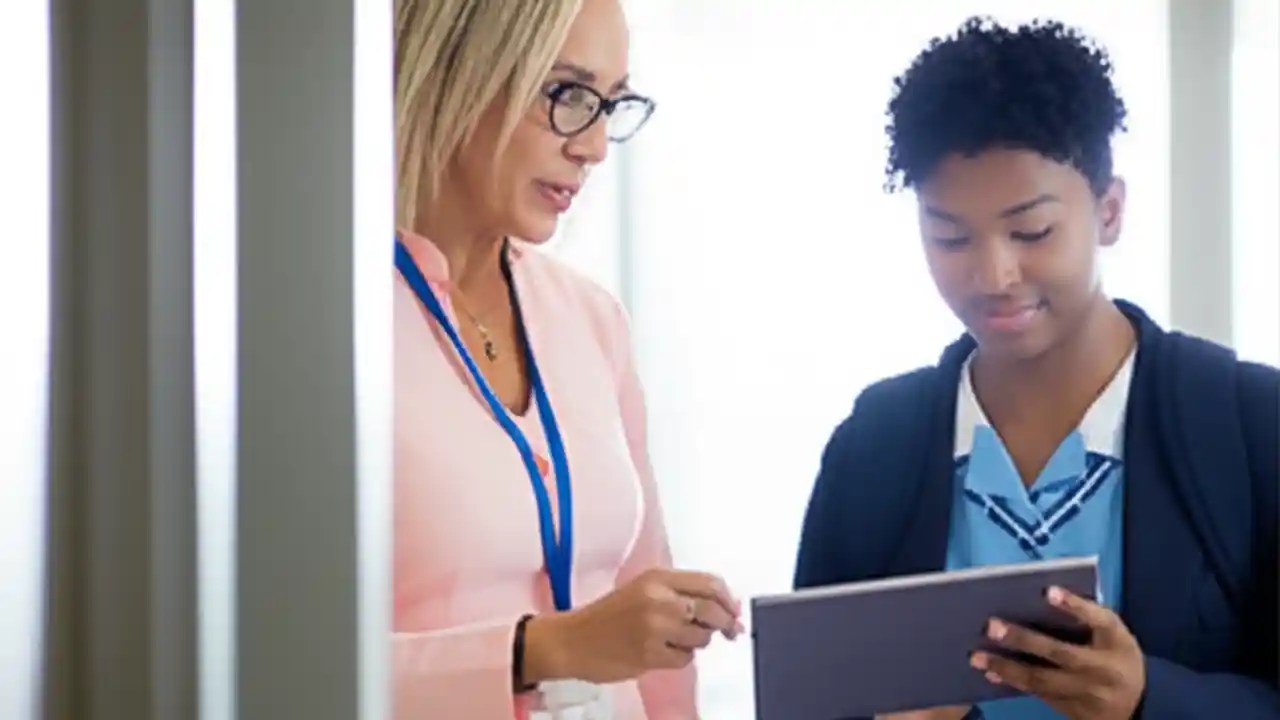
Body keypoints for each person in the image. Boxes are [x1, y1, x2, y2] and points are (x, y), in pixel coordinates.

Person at [794, 17, 1279, 720]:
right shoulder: (875, 445)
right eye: (950, 236)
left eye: (1032, 231)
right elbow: (808, 696)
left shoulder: (1250, 427)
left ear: (1108, 211)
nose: (994, 274)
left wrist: (1150, 699)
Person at [392, 1, 743, 718]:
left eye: (611, 105)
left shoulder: (591, 320)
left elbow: (656, 640)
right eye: (568, 95)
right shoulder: (309, 328)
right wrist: (540, 651)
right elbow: (272, 662)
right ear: (457, 68)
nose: (593, 146)